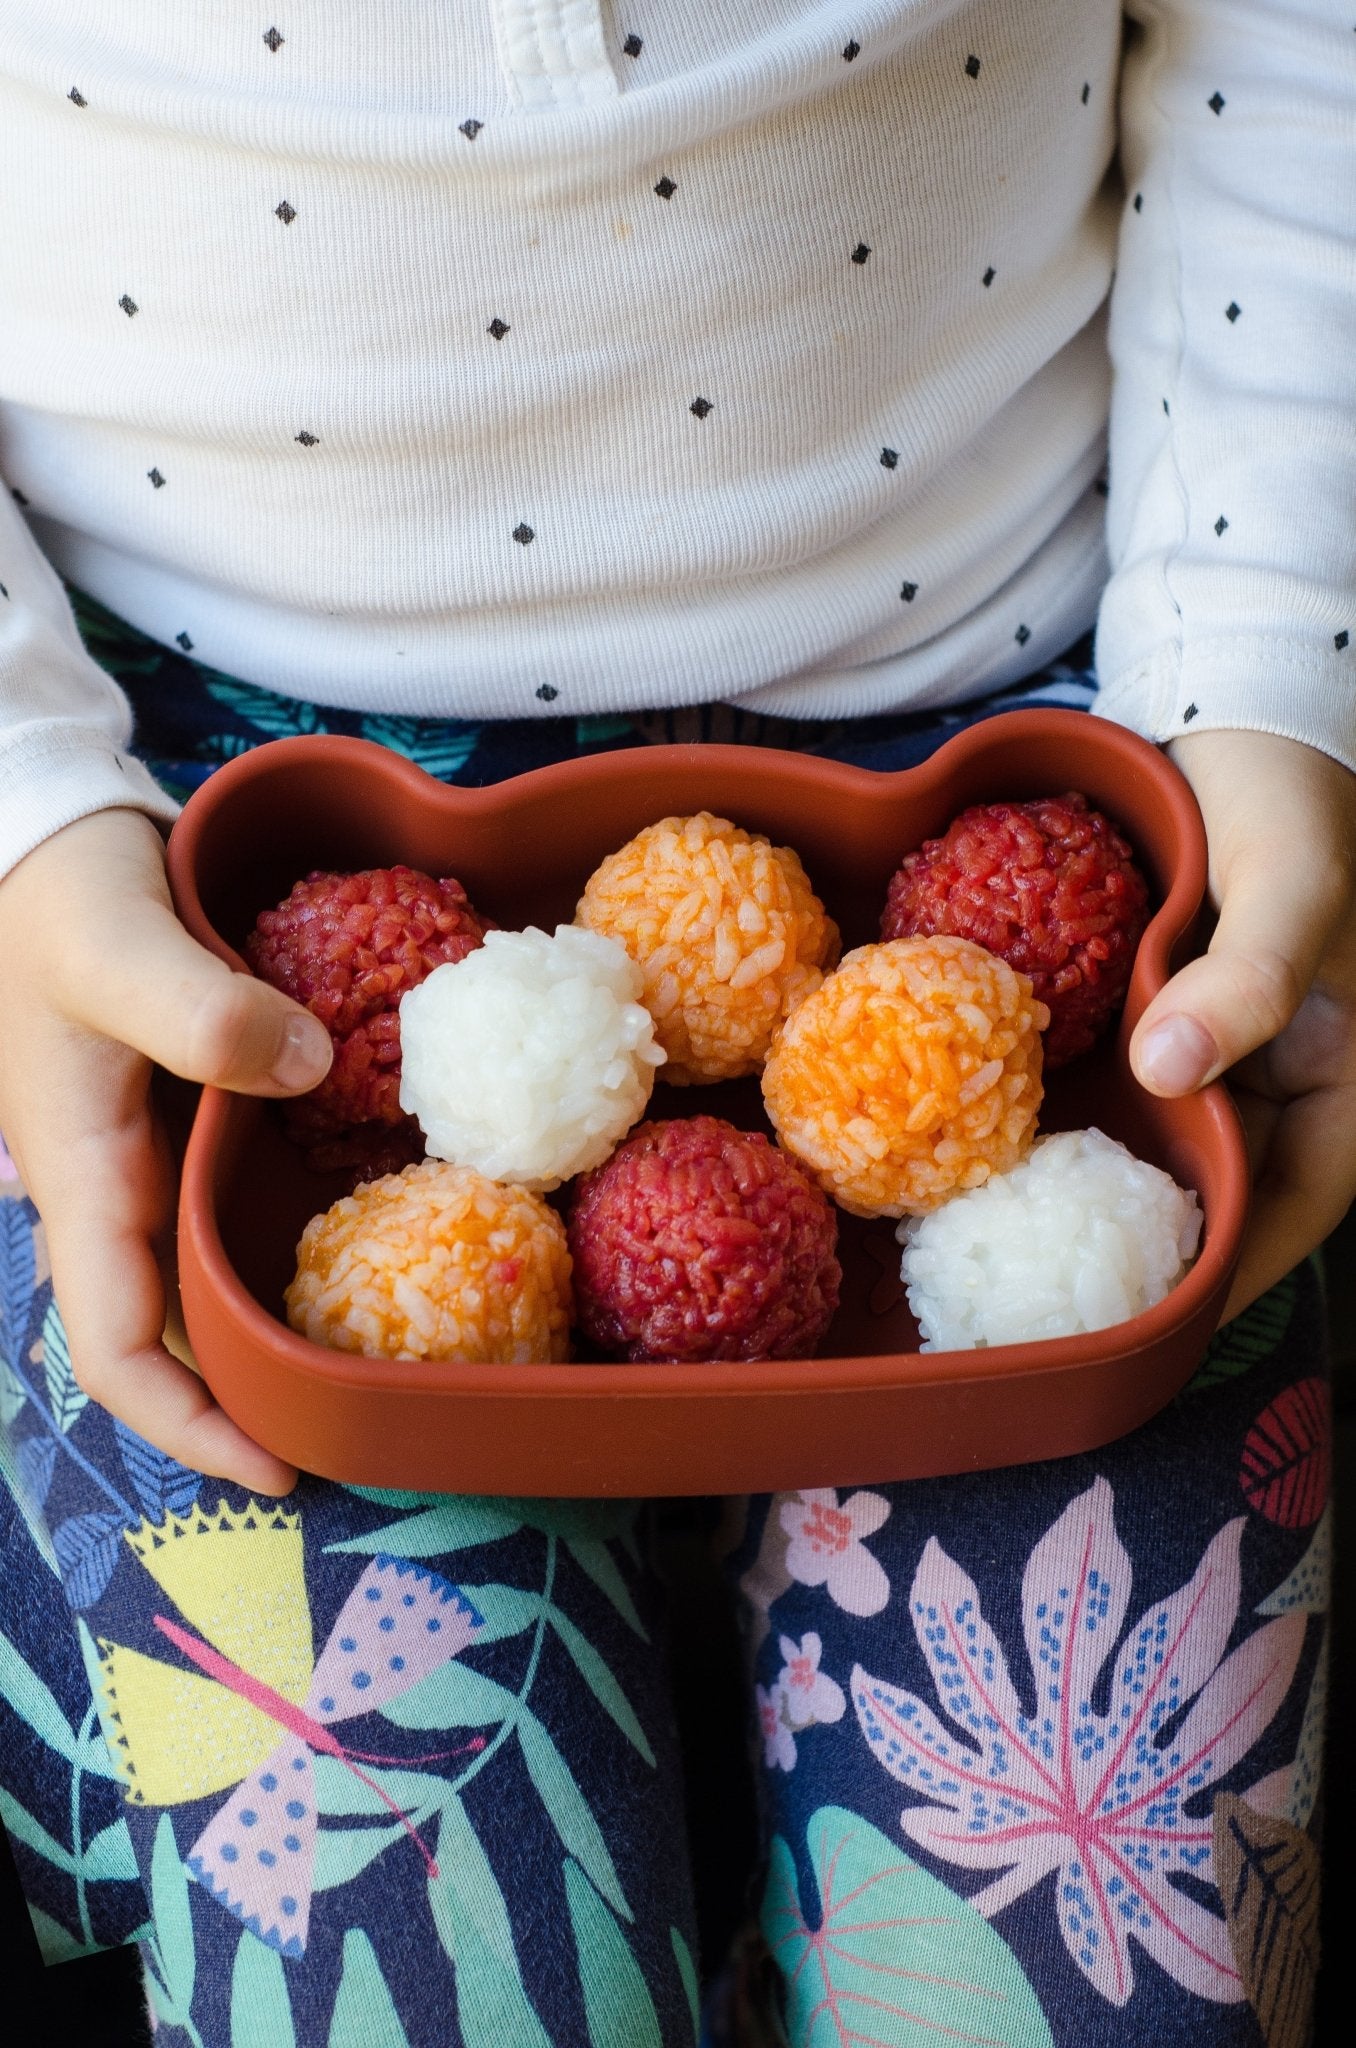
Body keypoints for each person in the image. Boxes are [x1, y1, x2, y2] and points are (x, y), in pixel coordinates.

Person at [1, 6, 1351, 2043]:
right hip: (192, 847)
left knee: (1095, 1949)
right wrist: (24, 824)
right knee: (410, 1966)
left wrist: (1267, 679)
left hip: (1036, 743)